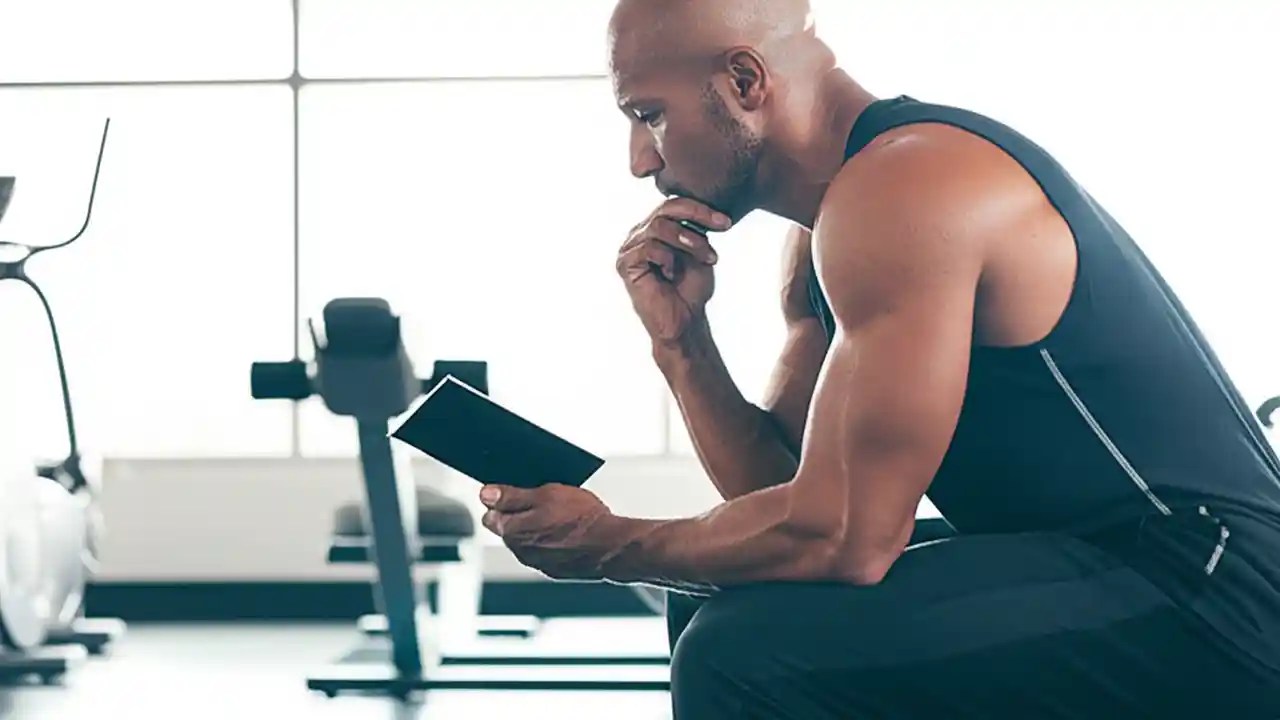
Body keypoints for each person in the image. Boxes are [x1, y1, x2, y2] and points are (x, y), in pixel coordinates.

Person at [477, 0, 1280, 716]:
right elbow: (784, 495)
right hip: (1112, 566)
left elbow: (845, 540)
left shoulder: (910, 188)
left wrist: (613, 544)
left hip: (1218, 593)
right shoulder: (831, 225)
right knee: (719, 602)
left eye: (648, 114)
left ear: (745, 82)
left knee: (741, 651)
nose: (640, 160)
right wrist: (682, 344)